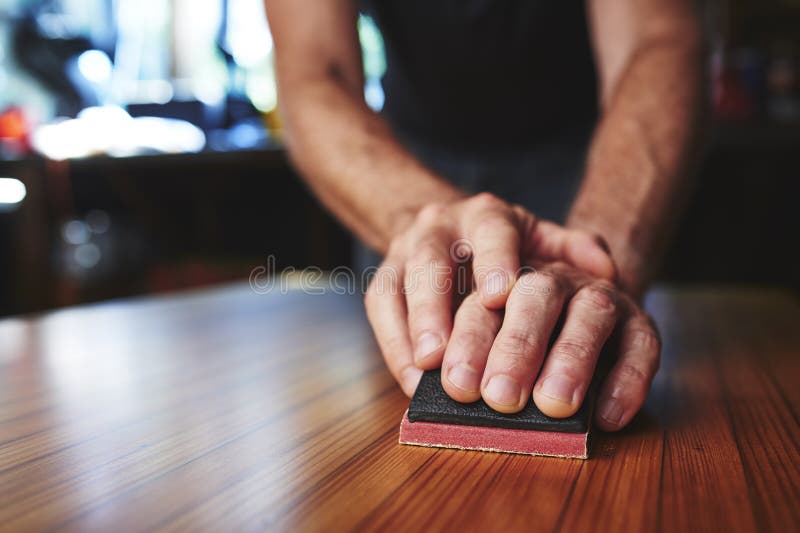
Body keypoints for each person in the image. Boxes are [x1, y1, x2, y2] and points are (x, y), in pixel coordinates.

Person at [265, 0, 706, 431]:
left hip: (592, 158)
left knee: (577, 346)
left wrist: (601, 254)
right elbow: (315, 71)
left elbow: (655, 38)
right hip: (396, 166)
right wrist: (424, 222)